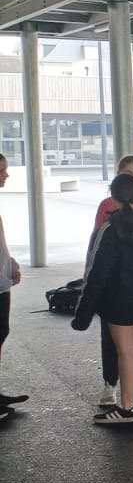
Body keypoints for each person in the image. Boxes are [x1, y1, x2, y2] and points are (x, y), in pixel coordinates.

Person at [72, 172, 133, 423]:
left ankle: (127, 407)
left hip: (119, 301)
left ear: (113, 198)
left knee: (126, 351)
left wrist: (82, 314)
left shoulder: (110, 229)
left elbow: (96, 274)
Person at [0, 154, 25, 421]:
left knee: (1, 332)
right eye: (2, 170)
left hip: (2, 282)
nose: (6, 175)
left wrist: (11, 264)